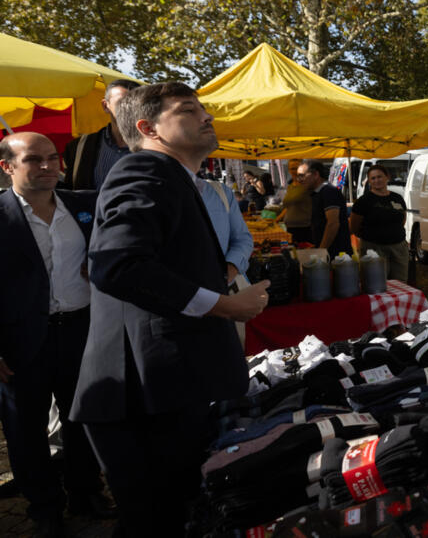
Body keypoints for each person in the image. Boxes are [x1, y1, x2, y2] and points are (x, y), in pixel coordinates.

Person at [70, 82, 272, 536]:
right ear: (147, 127)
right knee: (159, 521)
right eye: (188, 110)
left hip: (165, 394)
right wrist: (223, 305)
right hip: (145, 399)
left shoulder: (175, 179)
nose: (207, 116)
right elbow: (115, 265)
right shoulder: (143, 170)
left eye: (204, 108)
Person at [0, 133, 114, 537]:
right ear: (8, 166)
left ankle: (86, 490)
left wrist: (99, 264)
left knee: (82, 418)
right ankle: (44, 506)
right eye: (34, 159)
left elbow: (116, 248)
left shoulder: (85, 204)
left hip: (82, 330)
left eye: (53, 158)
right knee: (26, 429)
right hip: (20, 341)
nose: (49, 166)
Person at [61, 79, 140, 190]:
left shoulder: (157, 145)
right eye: (121, 103)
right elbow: (69, 189)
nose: (129, 109)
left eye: (135, 103)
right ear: (105, 106)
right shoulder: (79, 147)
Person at [350, 164, 410, 281]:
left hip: (398, 248)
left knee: (400, 282)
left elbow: (402, 220)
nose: (377, 180)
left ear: (387, 177)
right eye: (373, 178)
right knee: (376, 283)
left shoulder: (397, 198)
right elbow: (354, 227)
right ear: (369, 181)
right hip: (373, 248)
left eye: (380, 177)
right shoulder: (363, 201)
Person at [198, 175, 254, 283]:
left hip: (223, 287)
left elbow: (243, 239)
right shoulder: (160, 192)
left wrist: (231, 267)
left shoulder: (220, 191)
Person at [297, 159, 353, 258]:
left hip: (337, 254)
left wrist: (321, 251)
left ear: (316, 174)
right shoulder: (317, 193)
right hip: (328, 251)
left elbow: (333, 224)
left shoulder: (328, 191)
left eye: (302, 175)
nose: (299, 180)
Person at [278, 159, 313, 244]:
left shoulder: (307, 184)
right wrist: (277, 219)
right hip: (290, 226)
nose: (294, 171)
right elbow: (289, 207)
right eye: (291, 168)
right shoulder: (291, 186)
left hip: (304, 227)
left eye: (296, 168)